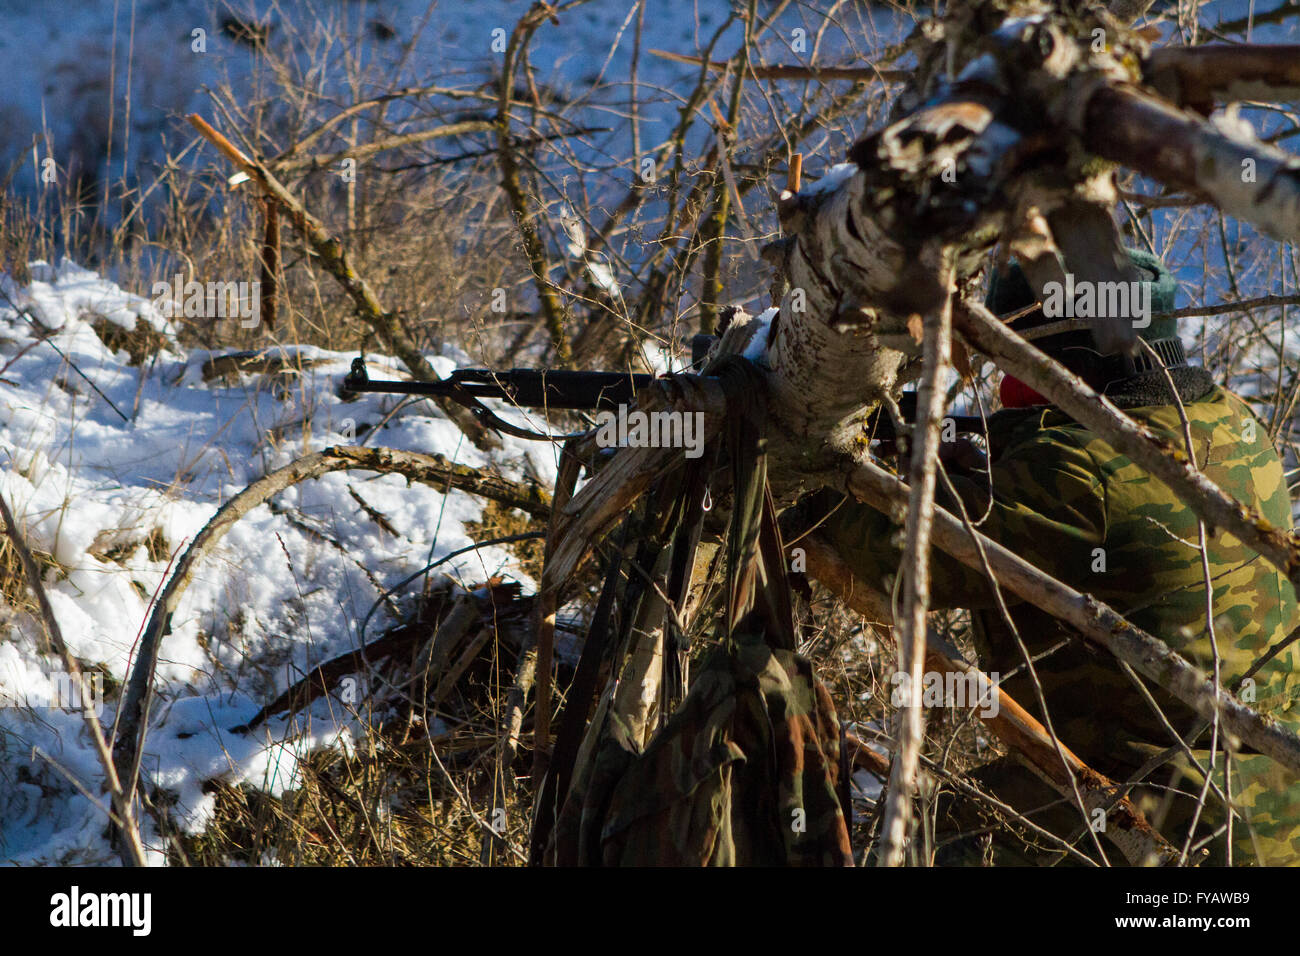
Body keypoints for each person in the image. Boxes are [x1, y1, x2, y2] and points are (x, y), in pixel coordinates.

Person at [797, 249, 1300, 864]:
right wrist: (953, 436)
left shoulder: (1076, 477)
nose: (1004, 385)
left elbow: (889, 554)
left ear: (1063, 365)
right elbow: (1053, 435)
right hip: (1269, 805)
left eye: (1015, 360)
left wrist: (806, 450)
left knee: (934, 838)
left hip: (1164, 826)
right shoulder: (1227, 419)